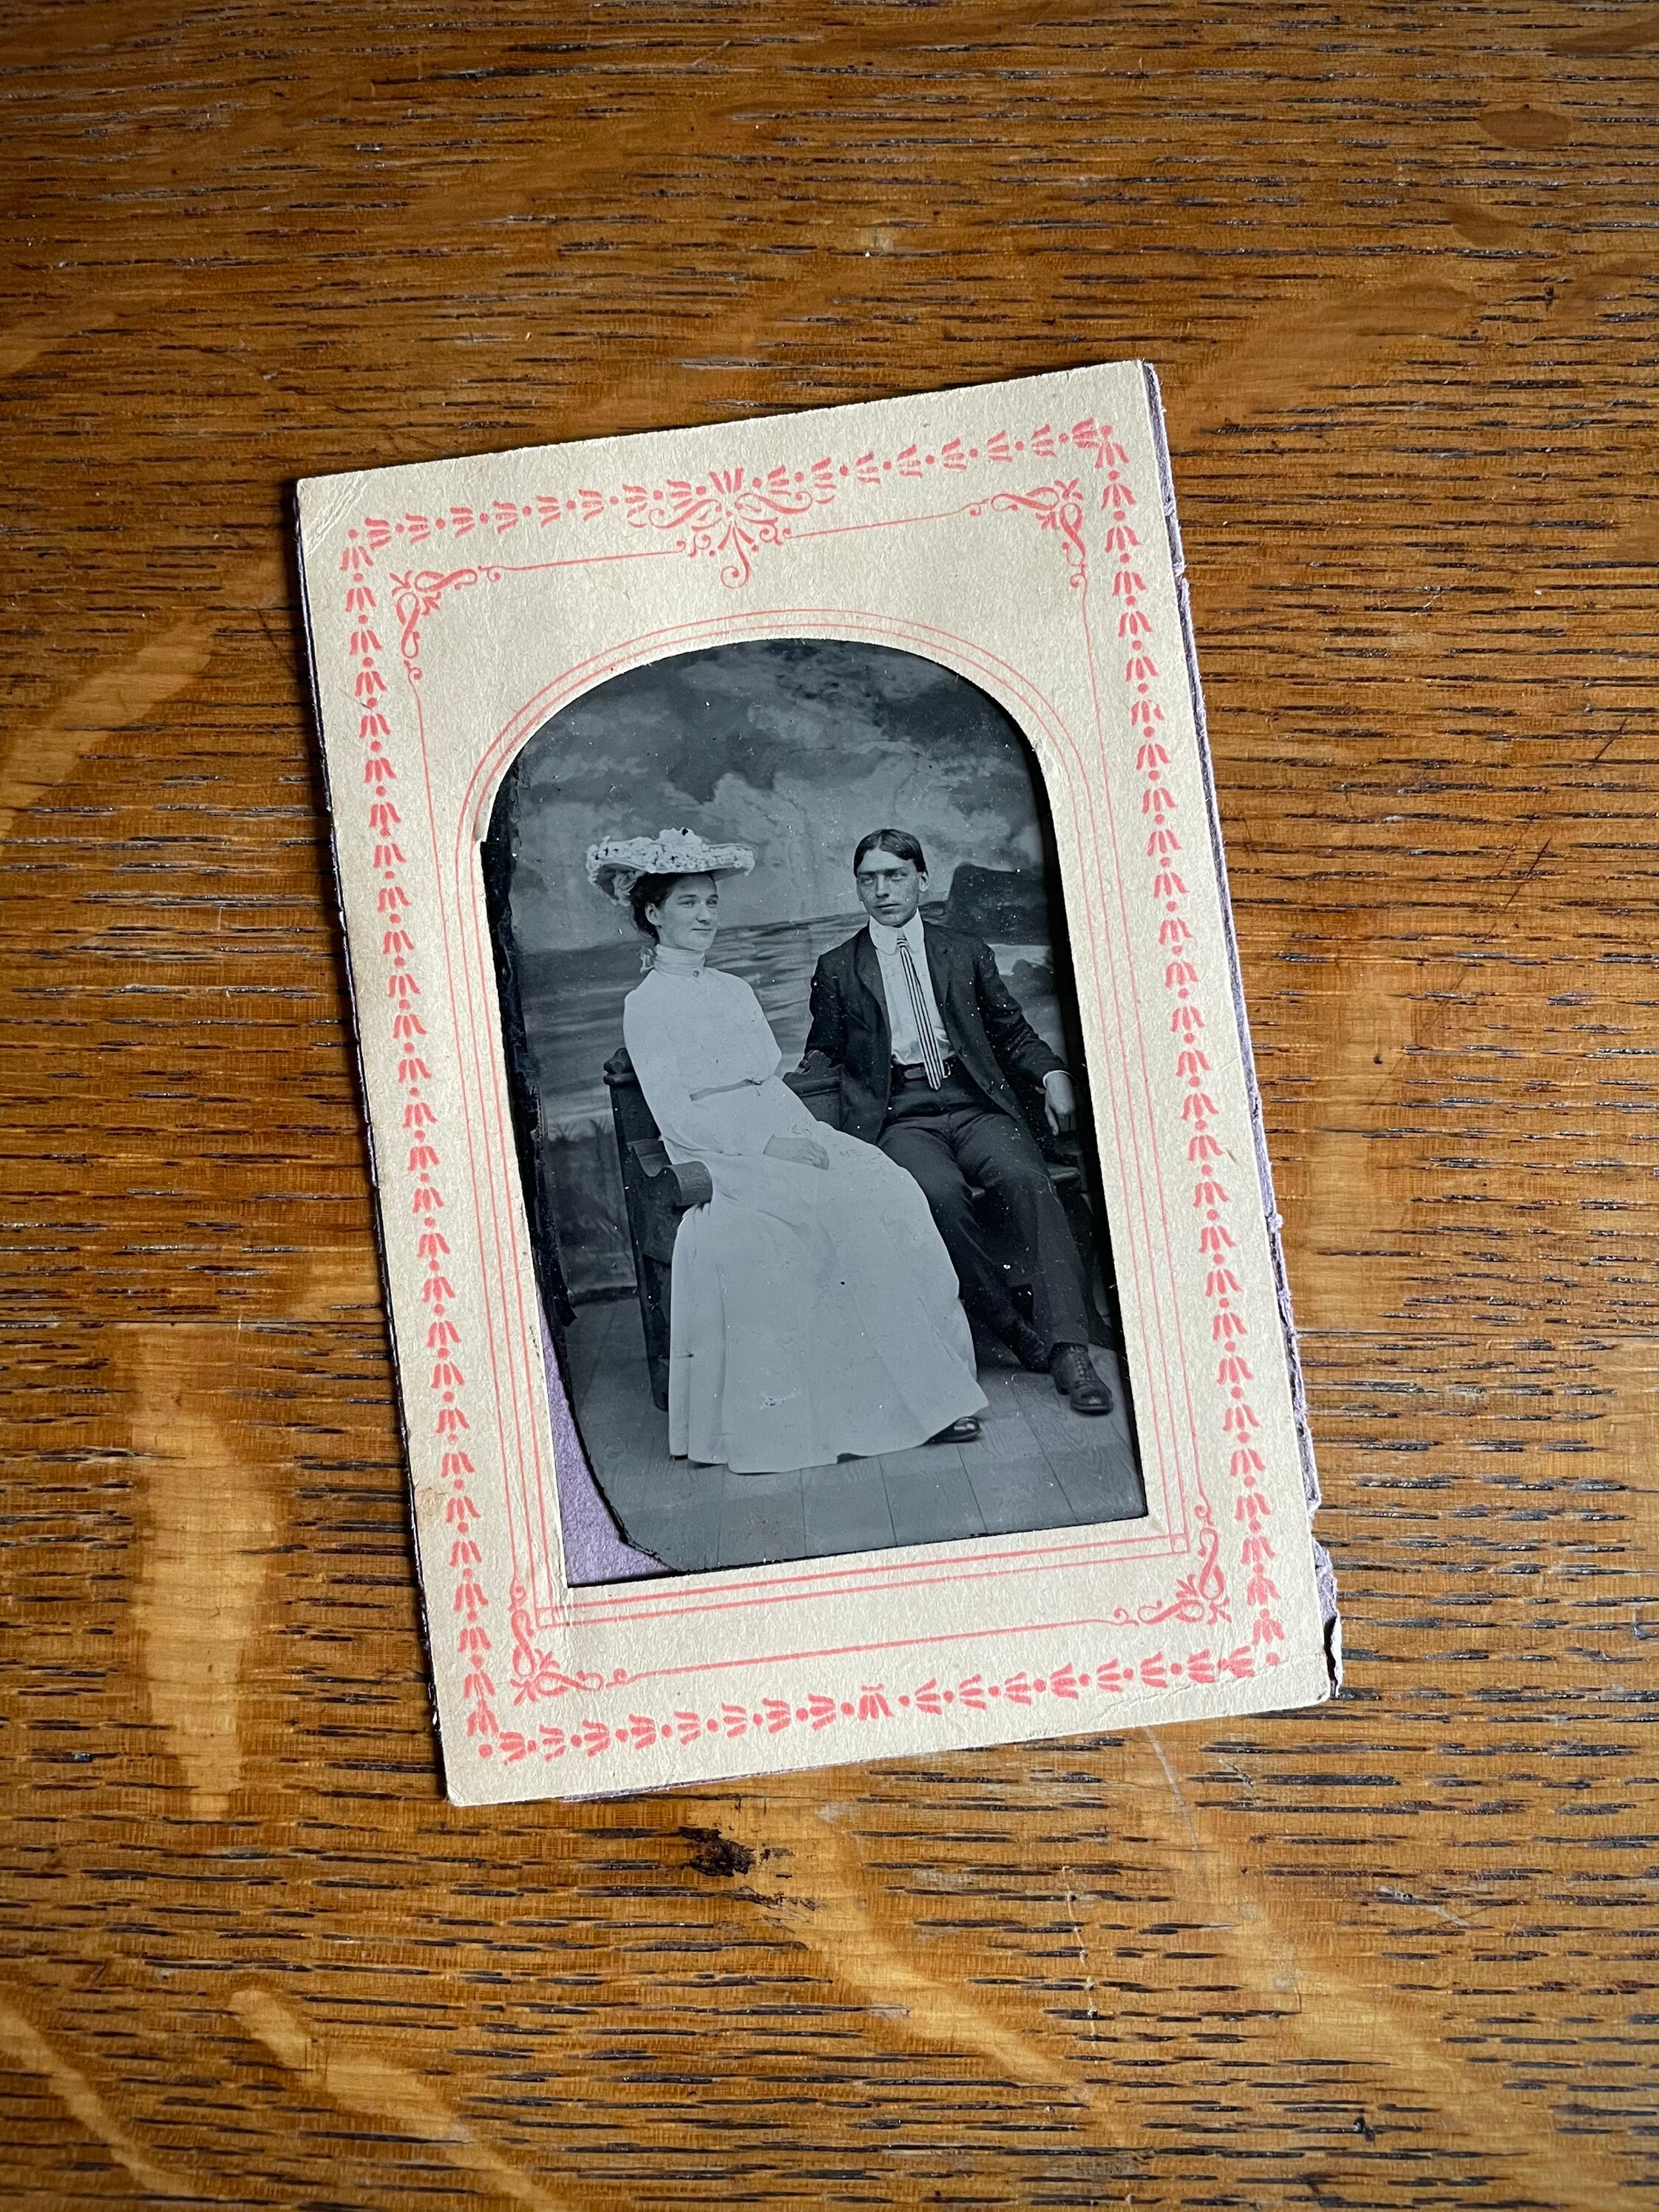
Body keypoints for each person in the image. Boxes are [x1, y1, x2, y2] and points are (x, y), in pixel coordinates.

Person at [586, 830, 988, 1477]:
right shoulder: (646, 1005)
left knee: (890, 1191)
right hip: (715, 1149)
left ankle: (931, 1391)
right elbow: (673, 1113)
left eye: (711, 902)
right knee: (833, 1215)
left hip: (780, 1123)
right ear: (653, 913)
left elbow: (766, 1081)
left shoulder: (734, 990)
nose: (706, 915)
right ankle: (888, 1405)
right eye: (688, 903)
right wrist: (763, 1145)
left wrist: (805, 1136)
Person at [797, 828, 1112, 1417]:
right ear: (859, 888)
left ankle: (1071, 1351)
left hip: (974, 1105)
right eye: (870, 879)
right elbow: (824, 1057)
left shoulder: (964, 950)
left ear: (922, 879)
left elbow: (1011, 1033)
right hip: (901, 1117)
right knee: (937, 1194)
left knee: (1026, 1180)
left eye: (895, 876)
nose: (883, 890)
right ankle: (1011, 1325)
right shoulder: (839, 967)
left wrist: (1053, 1076)